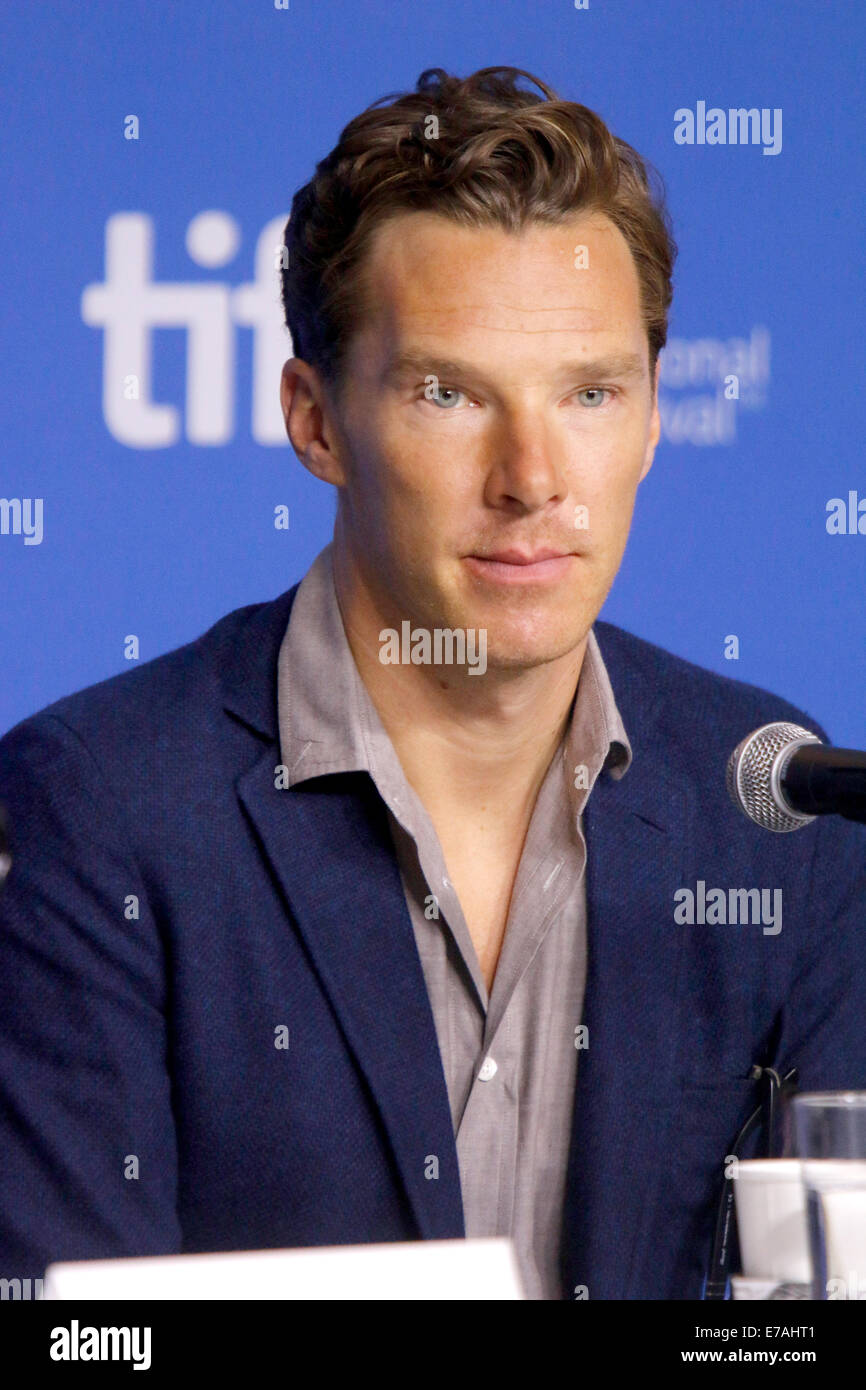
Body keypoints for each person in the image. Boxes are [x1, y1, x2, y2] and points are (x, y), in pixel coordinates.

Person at [1, 66, 864, 1301]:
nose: (531, 475)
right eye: (448, 394)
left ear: (654, 417)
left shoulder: (774, 809)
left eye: (588, 393)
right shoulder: (101, 806)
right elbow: (67, 1333)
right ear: (315, 421)